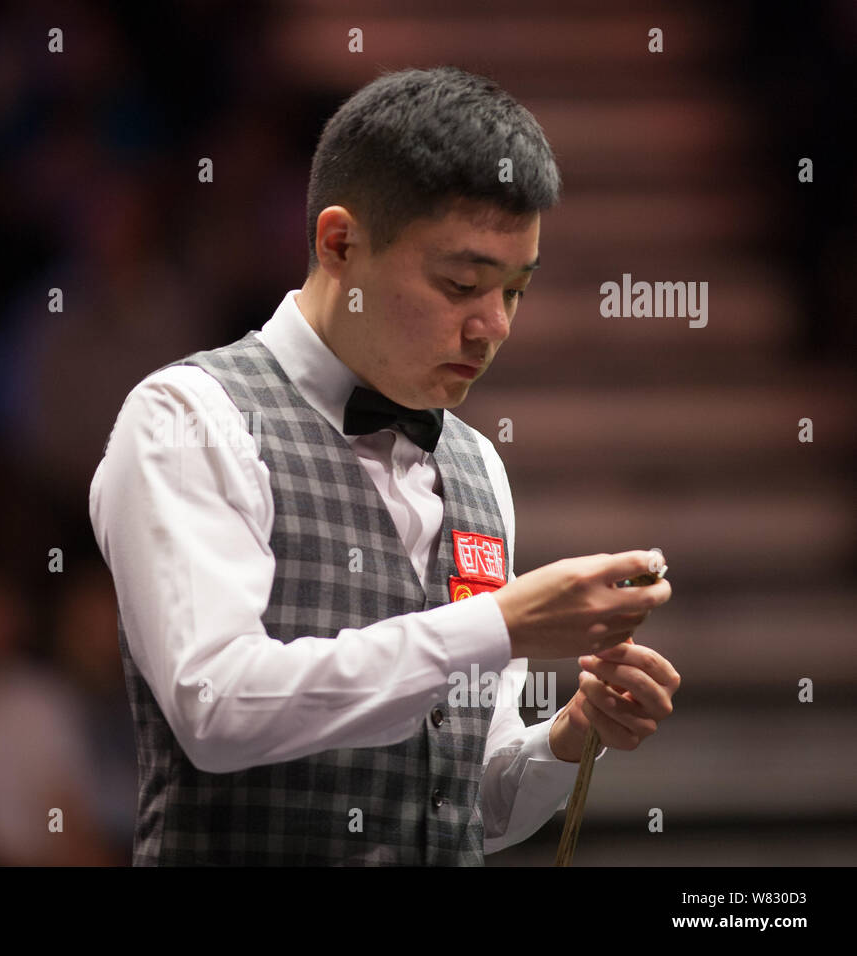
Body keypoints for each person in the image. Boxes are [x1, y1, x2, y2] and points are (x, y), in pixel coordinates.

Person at [89, 66, 679, 866]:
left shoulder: (478, 465)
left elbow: (467, 803)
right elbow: (217, 709)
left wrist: (569, 737)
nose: (493, 327)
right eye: (462, 284)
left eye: (514, 291)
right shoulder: (190, 417)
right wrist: (500, 624)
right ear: (339, 243)